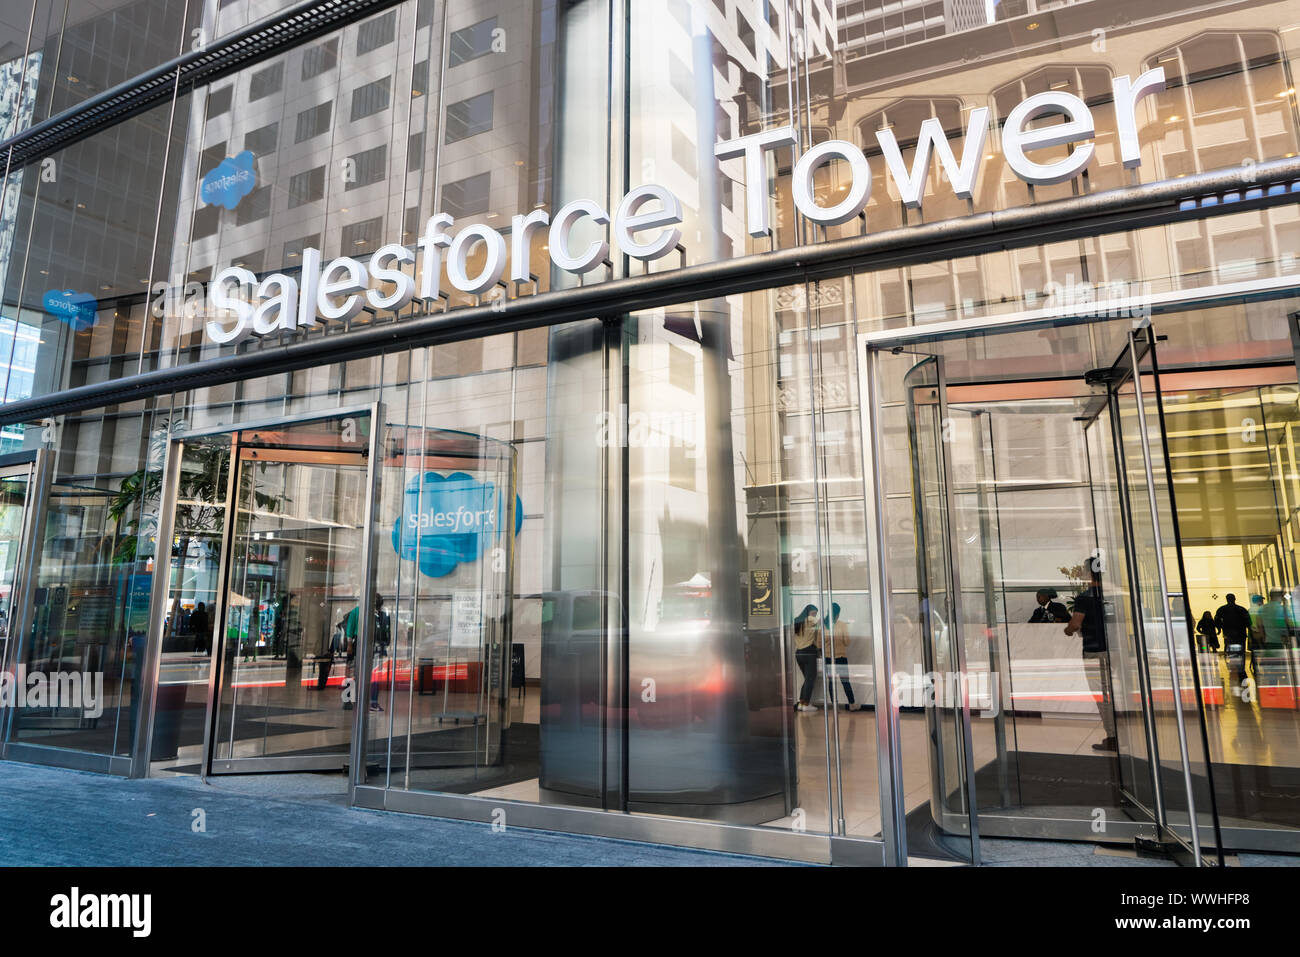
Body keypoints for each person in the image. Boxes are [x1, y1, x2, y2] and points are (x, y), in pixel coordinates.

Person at [1064, 557, 1117, 753]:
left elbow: (1076, 624)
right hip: (1113, 650)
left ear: (1087, 573)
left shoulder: (1084, 598)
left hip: (1094, 652)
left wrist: (1068, 630)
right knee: (1112, 693)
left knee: (1102, 695)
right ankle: (1119, 733)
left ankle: (1112, 737)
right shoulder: (1109, 594)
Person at [823, 603, 864, 712]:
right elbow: (847, 642)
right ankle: (852, 704)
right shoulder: (842, 625)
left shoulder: (823, 624)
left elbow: (818, 643)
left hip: (828, 657)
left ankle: (835, 706)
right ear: (837, 613)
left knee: (831, 682)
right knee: (845, 681)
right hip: (841, 657)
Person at [792, 604, 821, 713]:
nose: (815, 615)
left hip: (799, 653)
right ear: (808, 612)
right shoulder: (810, 619)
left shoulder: (797, 621)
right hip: (809, 652)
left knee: (807, 679)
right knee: (810, 679)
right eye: (814, 612)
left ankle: (801, 703)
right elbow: (820, 623)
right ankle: (806, 704)